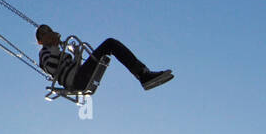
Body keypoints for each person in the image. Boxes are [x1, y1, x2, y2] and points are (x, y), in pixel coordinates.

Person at [36, 24, 173, 94]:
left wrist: (77, 54)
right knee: (110, 44)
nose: (49, 35)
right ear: (41, 41)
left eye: (49, 31)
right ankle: (143, 75)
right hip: (76, 81)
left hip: (79, 77)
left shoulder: (61, 53)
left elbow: (74, 68)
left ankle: (143, 74)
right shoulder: (44, 54)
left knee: (111, 45)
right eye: (45, 34)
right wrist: (54, 47)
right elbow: (51, 67)